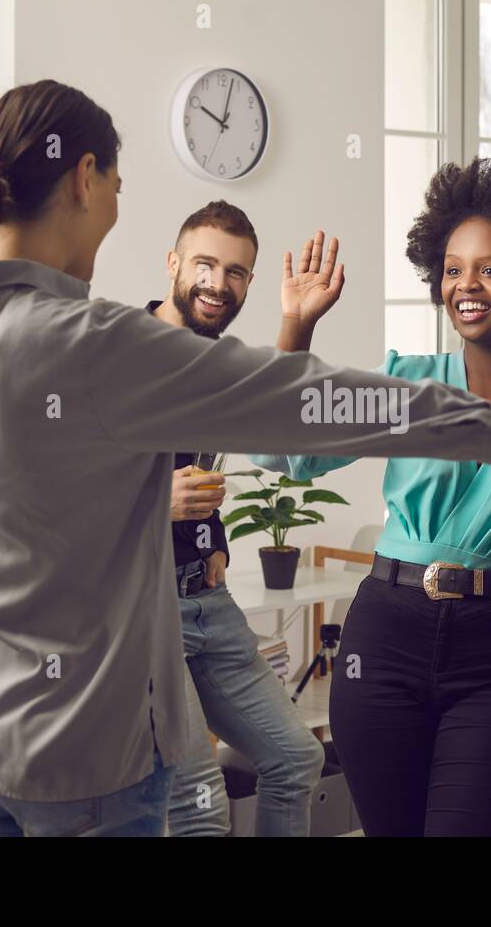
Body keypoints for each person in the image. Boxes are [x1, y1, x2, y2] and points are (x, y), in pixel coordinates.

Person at [0, 80, 491, 836]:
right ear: (81, 178)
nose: (114, 206)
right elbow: (311, 405)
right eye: (114, 186)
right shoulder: (101, 345)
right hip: (82, 751)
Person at [251, 157, 491, 836]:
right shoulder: (405, 383)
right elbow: (281, 452)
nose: (467, 285)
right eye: (454, 268)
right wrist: (296, 329)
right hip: (383, 641)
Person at [151, 200, 327, 837]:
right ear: (174, 263)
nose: (217, 284)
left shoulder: (218, 362)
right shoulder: (117, 353)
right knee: (199, 803)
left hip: (209, 600)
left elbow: (274, 423)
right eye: (204, 264)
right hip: (142, 612)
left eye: (236, 273)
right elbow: (60, 485)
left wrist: (296, 321)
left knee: (296, 757)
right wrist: (155, 502)